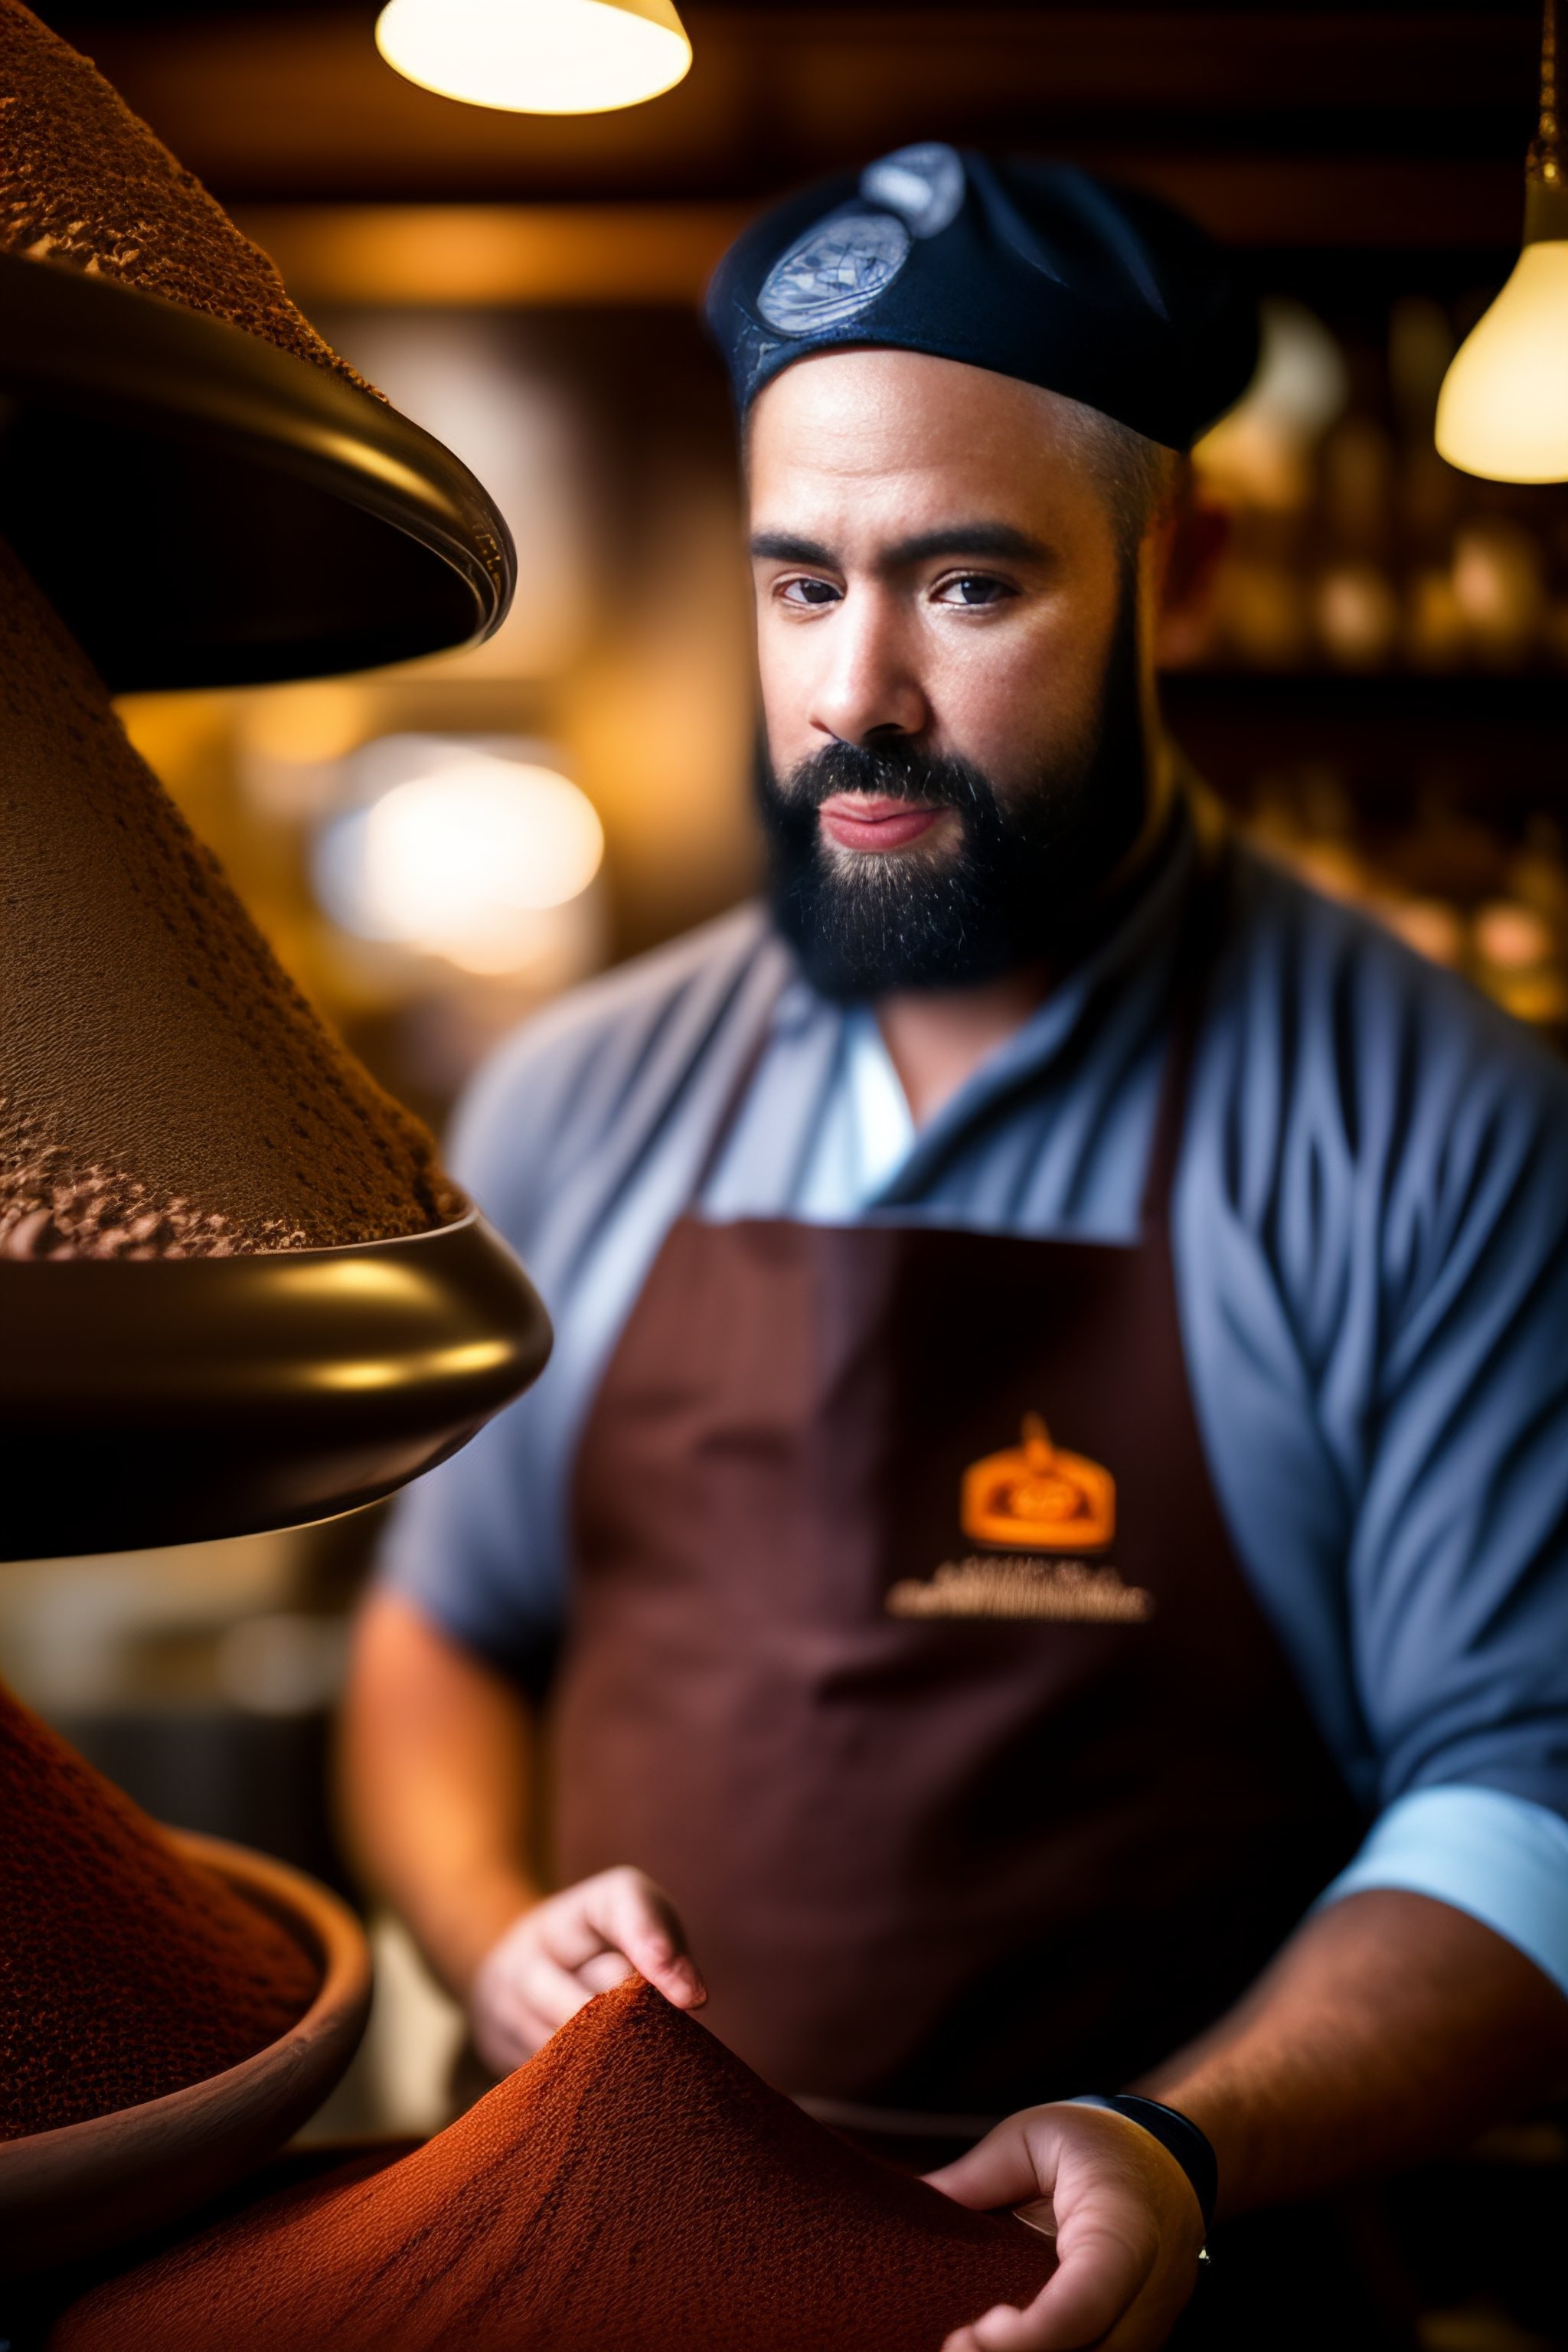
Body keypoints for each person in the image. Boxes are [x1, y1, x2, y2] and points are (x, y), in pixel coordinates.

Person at [341, 148, 1568, 2350]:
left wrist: (1185, 2145)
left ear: (1177, 590)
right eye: (799, 586)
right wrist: (490, 1925)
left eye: (970, 589)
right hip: (603, 2283)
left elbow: (1530, 1794)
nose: (858, 693)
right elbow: (450, 1631)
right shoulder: (583, 1092)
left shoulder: (1435, 1129)